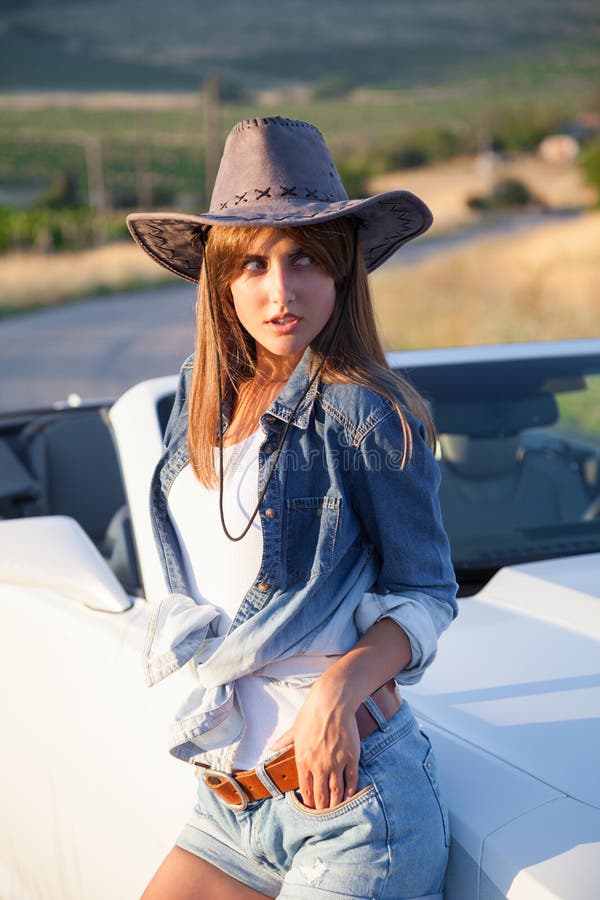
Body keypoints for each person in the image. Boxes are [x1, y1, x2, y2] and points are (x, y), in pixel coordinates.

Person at [127, 116, 458, 900]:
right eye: (255, 263)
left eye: (305, 257)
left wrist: (340, 689)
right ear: (221, 280)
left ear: (341, 268)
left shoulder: (363, 410)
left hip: (352, 805)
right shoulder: (197, 398)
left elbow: (426, 591)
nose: (281, 292)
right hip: (228, 802)